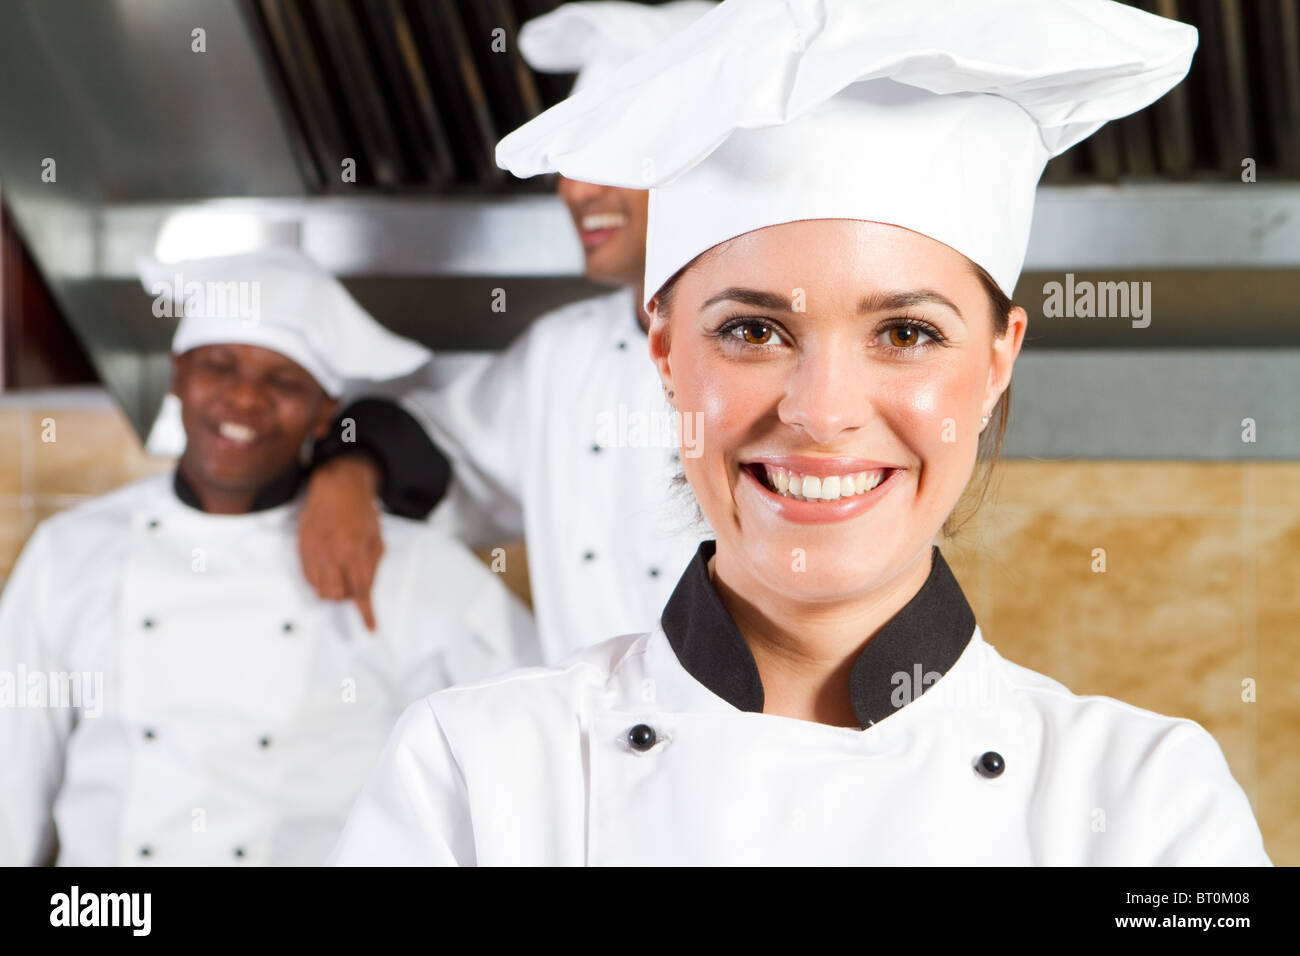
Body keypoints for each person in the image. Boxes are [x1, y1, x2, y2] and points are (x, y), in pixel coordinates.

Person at [328, 0, 1271, 866]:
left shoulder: (1147, 803)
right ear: (664, 353)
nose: (822, 412)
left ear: (994, 363)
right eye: (753, 330)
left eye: (906, 333)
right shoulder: (474, 776)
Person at [0, 249, 538, 866]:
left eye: (284, 381)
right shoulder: (71, 552)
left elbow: (527, 740)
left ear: (323, 413)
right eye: (218, 366)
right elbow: (10, 781)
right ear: (177, 376)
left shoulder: (407, 565)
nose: (244, 398)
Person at [299, 1, 717, 663]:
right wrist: (349, 471)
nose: (572, 192)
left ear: (706, 158)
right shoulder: (561, 352)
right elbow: (447, 456)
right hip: (588, 751)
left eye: (606, 156)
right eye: (568, 162)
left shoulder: (790, 353)